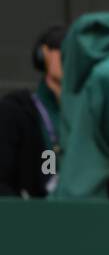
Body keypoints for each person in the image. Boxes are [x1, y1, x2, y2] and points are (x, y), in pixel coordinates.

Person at [0, 26, 64, 197]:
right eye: (60, 48)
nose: (67, 56)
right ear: (44, 53)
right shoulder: (17, 110)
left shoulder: (87, 112)